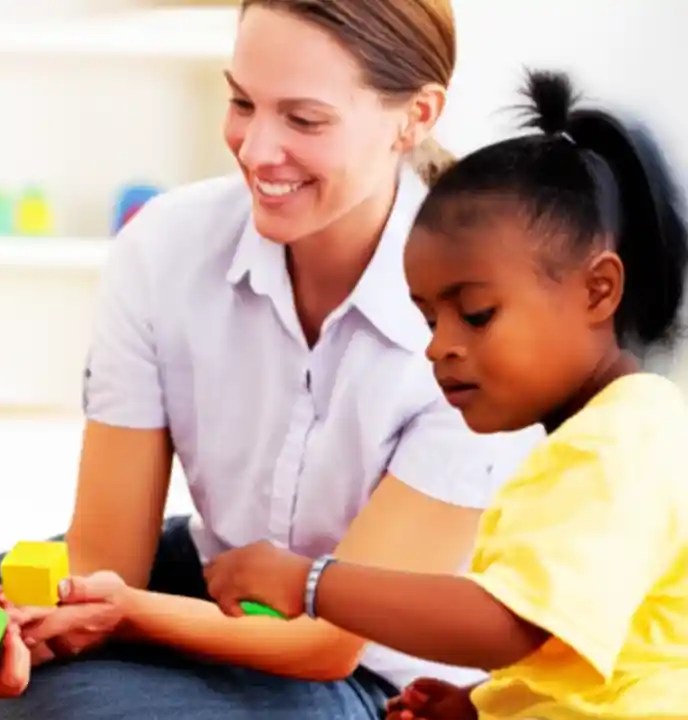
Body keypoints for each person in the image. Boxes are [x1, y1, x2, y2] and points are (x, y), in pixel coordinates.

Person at [0, 1, 540, 717]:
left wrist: (119, 617)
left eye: (303, 118)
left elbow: (325, 644)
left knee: (54, 710)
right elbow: (111, 556)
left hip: (366, 672)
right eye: (242, 102)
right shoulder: (167, 247)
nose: (257, 149)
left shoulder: (480, 320)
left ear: (417, 116)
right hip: (194, 575)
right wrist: (51, 623)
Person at [211, 69, 688, 720]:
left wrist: (310, 582)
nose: (439, 347)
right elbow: (590, 640)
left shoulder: (616, 445)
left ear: (597, 290)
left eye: (476, 313)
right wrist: (479, 705)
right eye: (430, 319)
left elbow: (509, 624)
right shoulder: (613, 433)